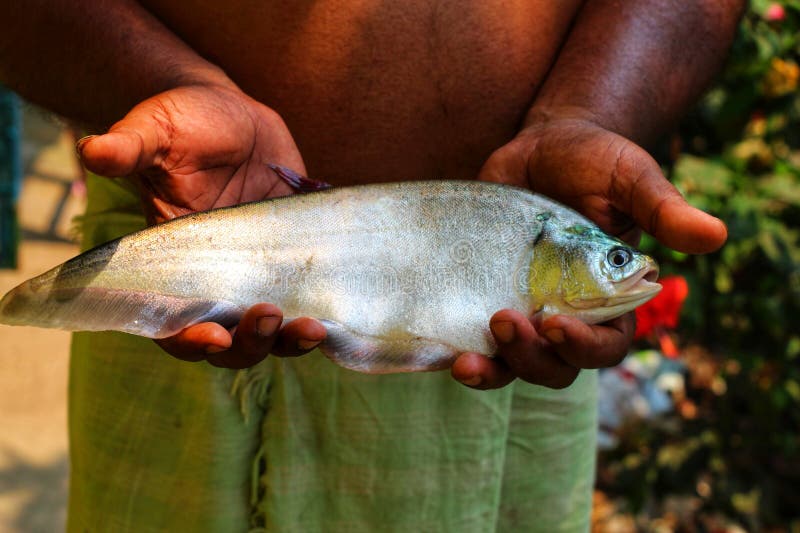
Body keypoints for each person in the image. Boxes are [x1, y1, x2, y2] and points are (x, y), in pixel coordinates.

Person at [0, 1, 744, 530]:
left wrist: (592, 112)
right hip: (173, 221)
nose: (628, 268)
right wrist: (148, 81)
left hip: (514, 388)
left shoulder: (549, 255)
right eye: (613, 259)